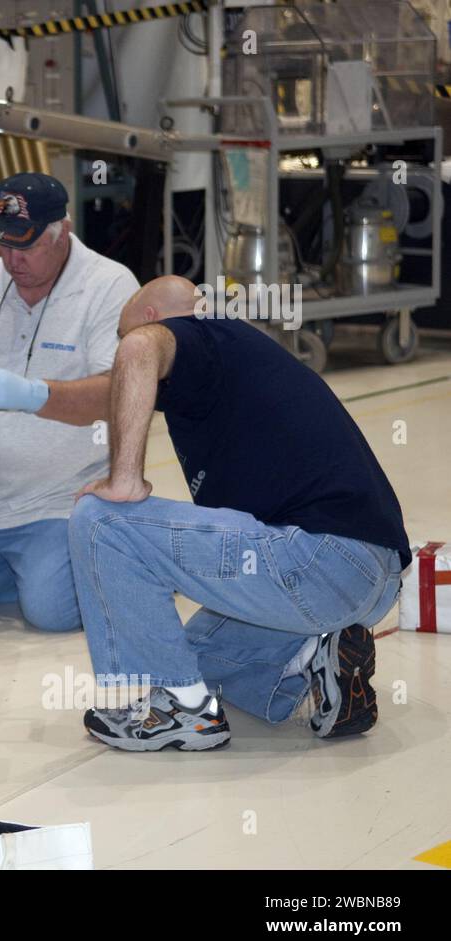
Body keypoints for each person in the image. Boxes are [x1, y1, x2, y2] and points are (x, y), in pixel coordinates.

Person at [71, 276, 409, 752]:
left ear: (150, 318)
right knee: (193, 665)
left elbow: (139, 352)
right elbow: (104, 393)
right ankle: (319, 650)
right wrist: (30, 395)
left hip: (318, 557)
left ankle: (186, 715)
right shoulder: (231, 361)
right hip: (367, 573)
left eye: (121, 336)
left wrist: (123, 479)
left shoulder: (197, 335)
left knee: (100, 519)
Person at [0, 173, 139, 631]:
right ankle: (37, 569)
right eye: (3, 246)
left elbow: (119, 393)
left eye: (25, 248)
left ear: (62, 231)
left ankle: (121, 549)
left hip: (61, 499)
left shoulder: (110, 285)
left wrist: (35, 395)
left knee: (51, 613)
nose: (11, 261)